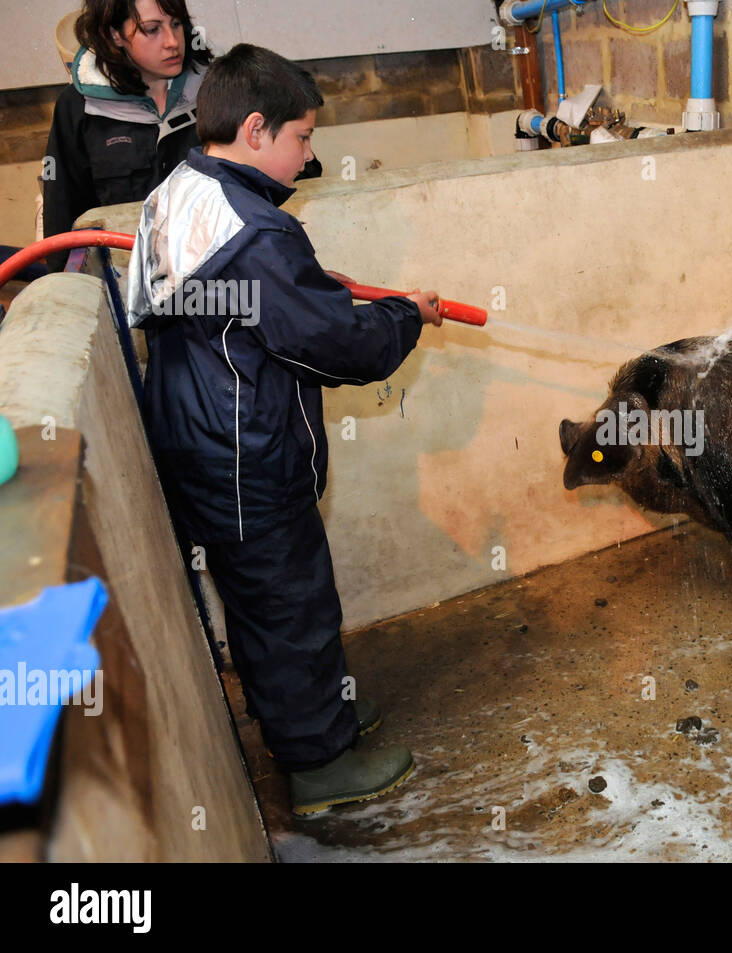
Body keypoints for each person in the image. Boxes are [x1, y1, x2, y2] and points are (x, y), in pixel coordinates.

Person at [124, 43, 442, 815]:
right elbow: (339, 348)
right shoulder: (257, 235)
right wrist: (407, 315)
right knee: (291, 604)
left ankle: (309, 716)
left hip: (199, 438)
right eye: (302, 137)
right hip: (246, 453)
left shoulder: (180, 187)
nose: (309, 155)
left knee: (267, 603)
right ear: (257, 129)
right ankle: (319, 763)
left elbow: (227, 308)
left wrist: (303, 289)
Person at [42, 0, 318, 273]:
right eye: (152, 29)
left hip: (234, 269)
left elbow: (294, 172)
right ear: (114, 34)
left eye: (176, 24)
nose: (173, 41)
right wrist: (61, 285)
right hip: (130, 279)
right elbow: (62, 209)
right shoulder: (80, 108)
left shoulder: (220, 87)